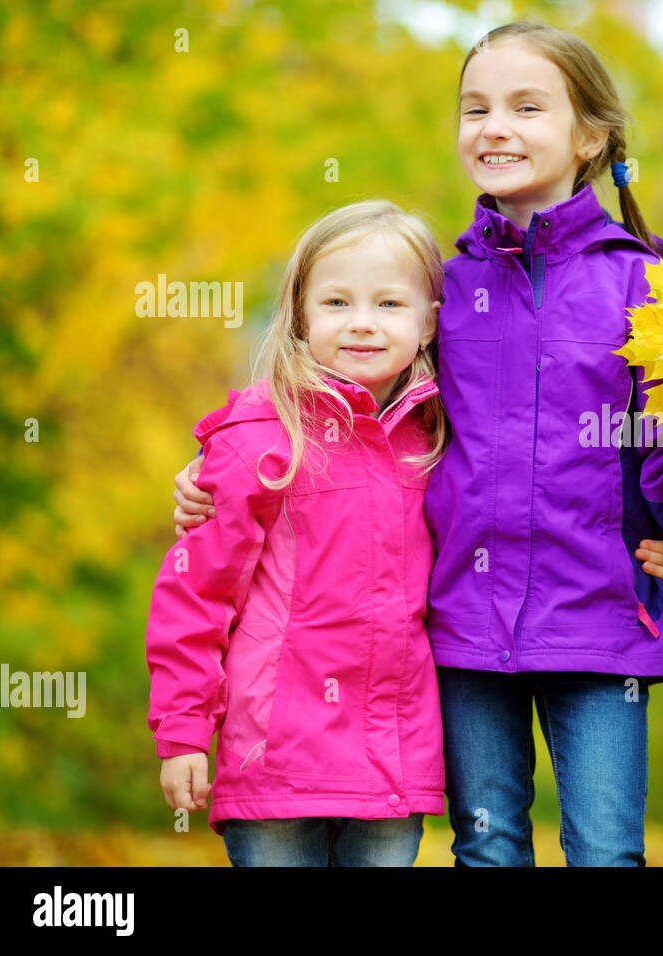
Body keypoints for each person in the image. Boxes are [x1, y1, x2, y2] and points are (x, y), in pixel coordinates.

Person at [172, 20, 663, 866]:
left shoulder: (650, 286)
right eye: (474, 108)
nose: (494, 127)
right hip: (463, 627)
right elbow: (350, 409)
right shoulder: (443, 288)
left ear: (591, 136)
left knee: (607, 849)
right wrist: (217, 460)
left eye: (525, 107)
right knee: (488, 848)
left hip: (601, 625)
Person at [147, 200, 448, 866]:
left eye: (389, 305)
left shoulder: (443, 439)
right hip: (273, 757)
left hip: (393, 763)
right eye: (337, 303)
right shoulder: (258, 438)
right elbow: (195, 595)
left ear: (429, 321)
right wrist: (184, 731)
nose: (362, 324)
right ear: (301, 316)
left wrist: (655, 534)